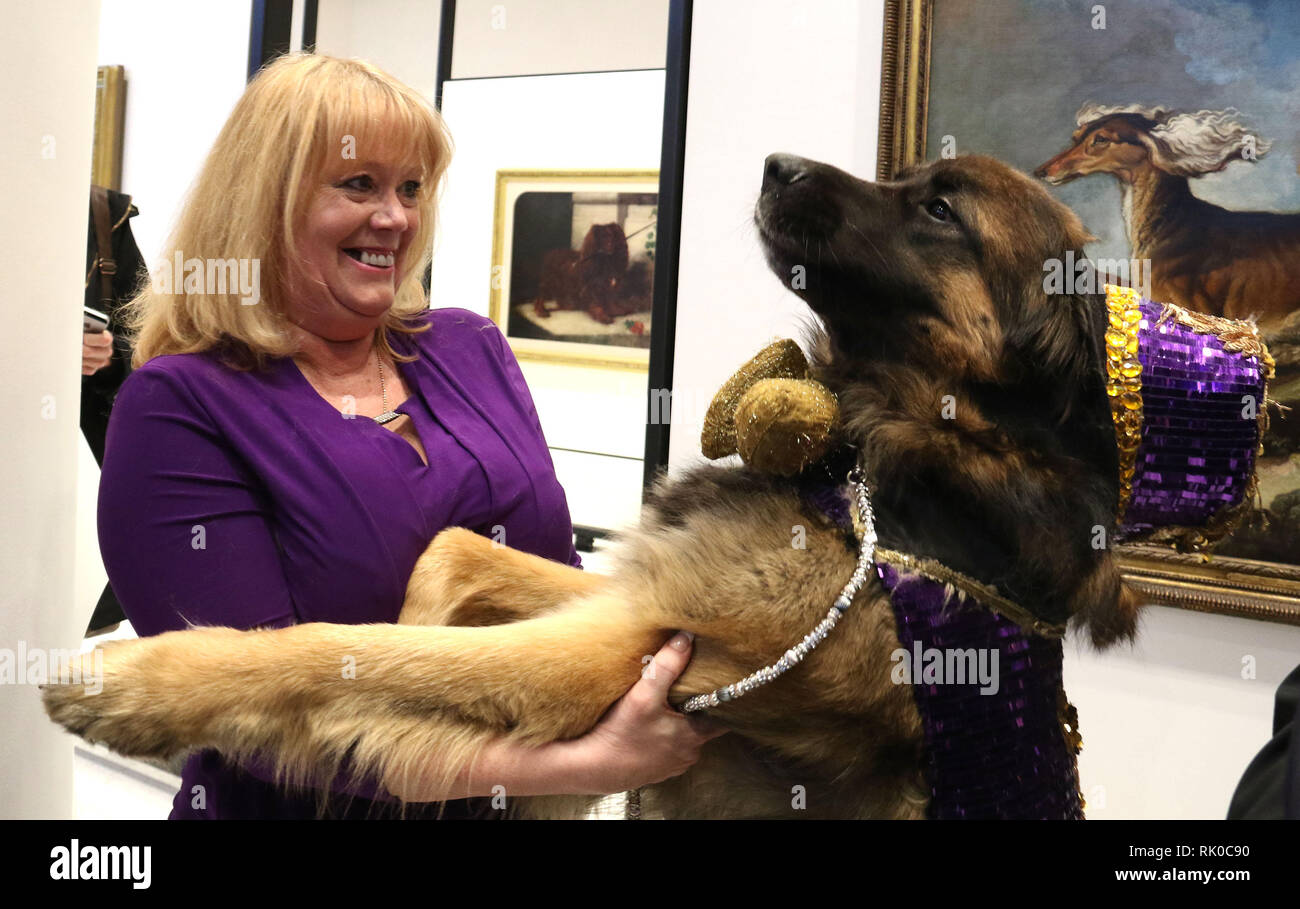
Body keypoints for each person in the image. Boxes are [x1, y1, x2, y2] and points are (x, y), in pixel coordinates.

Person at [100, 53, 718, 819]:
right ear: (264, 200)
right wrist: (582, 761)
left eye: (412, 188)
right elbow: (257, 717)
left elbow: (550, 586)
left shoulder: (470, 348)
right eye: (358, 184)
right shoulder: (179, 406)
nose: (394, 217)